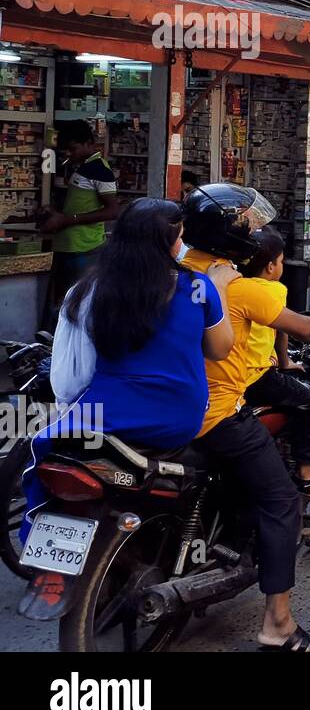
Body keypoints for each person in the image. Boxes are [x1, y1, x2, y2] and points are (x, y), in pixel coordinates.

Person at [180, 183, 310, 652]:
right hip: (213, 413)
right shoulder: (238, 288)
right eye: (250, 223)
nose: (257, 229)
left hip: (164, 407)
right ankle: (278, 624)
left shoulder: (174, 272)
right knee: (282, 502)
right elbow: (304, 327)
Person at [22, 199, 236, 540]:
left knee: (50, 444)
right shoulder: (197, 286)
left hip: (102, 413)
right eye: (179, 238)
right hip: (176, 417)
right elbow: (221, 349)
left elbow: (72, 371)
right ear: (166, 244)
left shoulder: (92, 288)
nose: (182, 246)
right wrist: (220, 287)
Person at [239, 227, 310, 502]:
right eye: (281, 261)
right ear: (271, 266)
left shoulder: (230, 284)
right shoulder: (273, 290)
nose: (281, 266)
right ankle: (306, 474)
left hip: (230, 375)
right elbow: (285, 329)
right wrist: (285, 362)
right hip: (255, 377)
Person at [40, 121, 121, 330]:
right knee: (58, 304)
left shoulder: (100, 170)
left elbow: (112, 211)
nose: (69, 153)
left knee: (74, 306)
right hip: (67, 246)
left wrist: (67, 220)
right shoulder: (81, 168)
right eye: (66, 149)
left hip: (85, 249)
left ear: (90, 143)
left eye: (74, 148)